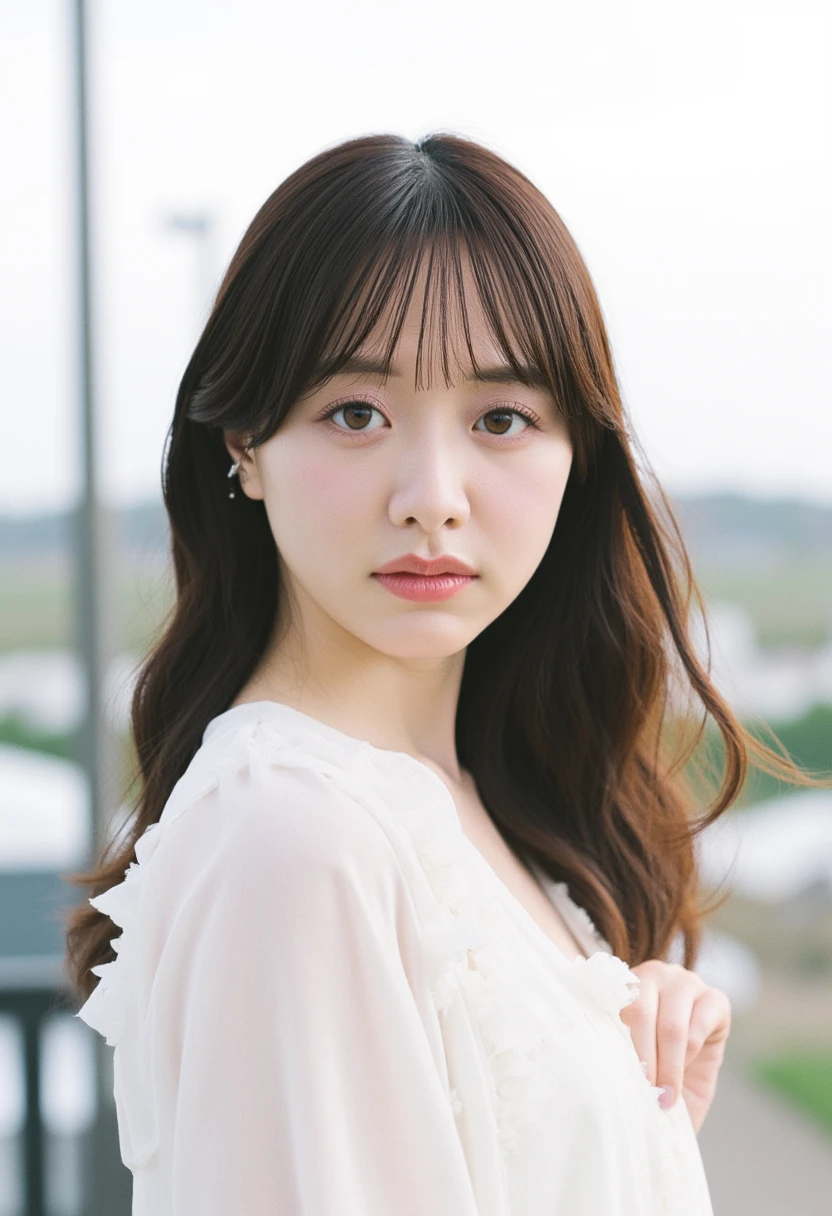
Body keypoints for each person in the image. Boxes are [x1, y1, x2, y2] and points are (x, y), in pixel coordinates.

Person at [64, 131, 815, 1214]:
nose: (432, 493)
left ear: (574, 458)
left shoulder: (456, 800)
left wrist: (621, 1112)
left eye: (501, 418)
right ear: (243, 442)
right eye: (356, 413)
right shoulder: (298, 837)